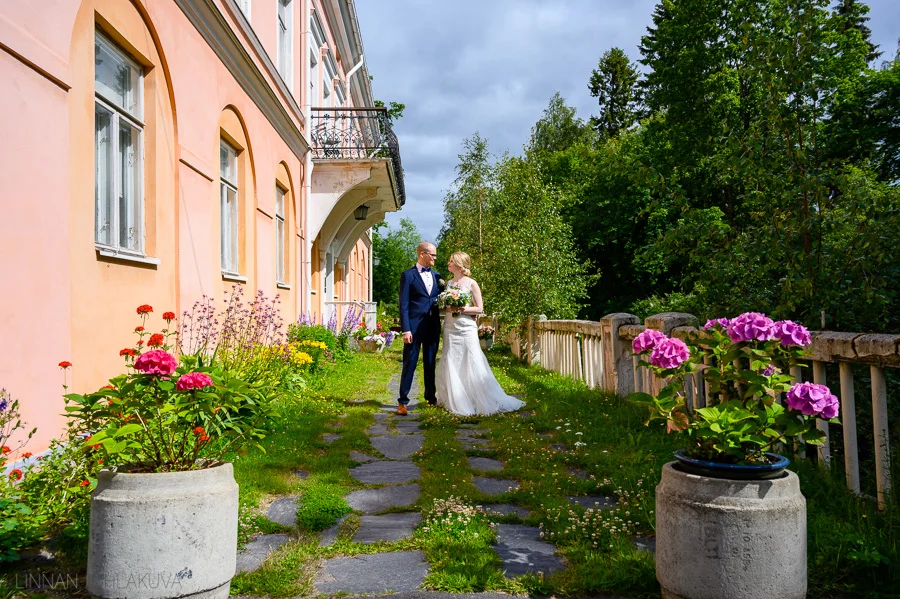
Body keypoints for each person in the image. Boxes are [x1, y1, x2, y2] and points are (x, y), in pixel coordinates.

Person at [436, 252, 525, 416]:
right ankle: (453, 397)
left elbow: (479, 308)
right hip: (450, 326)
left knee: (471, 358)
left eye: (451, 261)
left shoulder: (471, 283)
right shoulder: (448, 283)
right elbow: (445, 308)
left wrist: (461, 309)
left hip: (466, 327)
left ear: (459, 264)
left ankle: (475, 397)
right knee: (450, 357)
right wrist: (445, 306)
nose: (448, 263)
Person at [396, 242, 442, 415]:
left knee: (430, 363)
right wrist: (406, 330)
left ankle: (431, 399)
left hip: (432, 327)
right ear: (422, 254)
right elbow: (404, 304)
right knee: (410, 363)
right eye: (433, 255)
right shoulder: (408, 276)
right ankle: (403, 402)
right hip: (413, 329)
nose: (435, 258)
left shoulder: (438, 277)